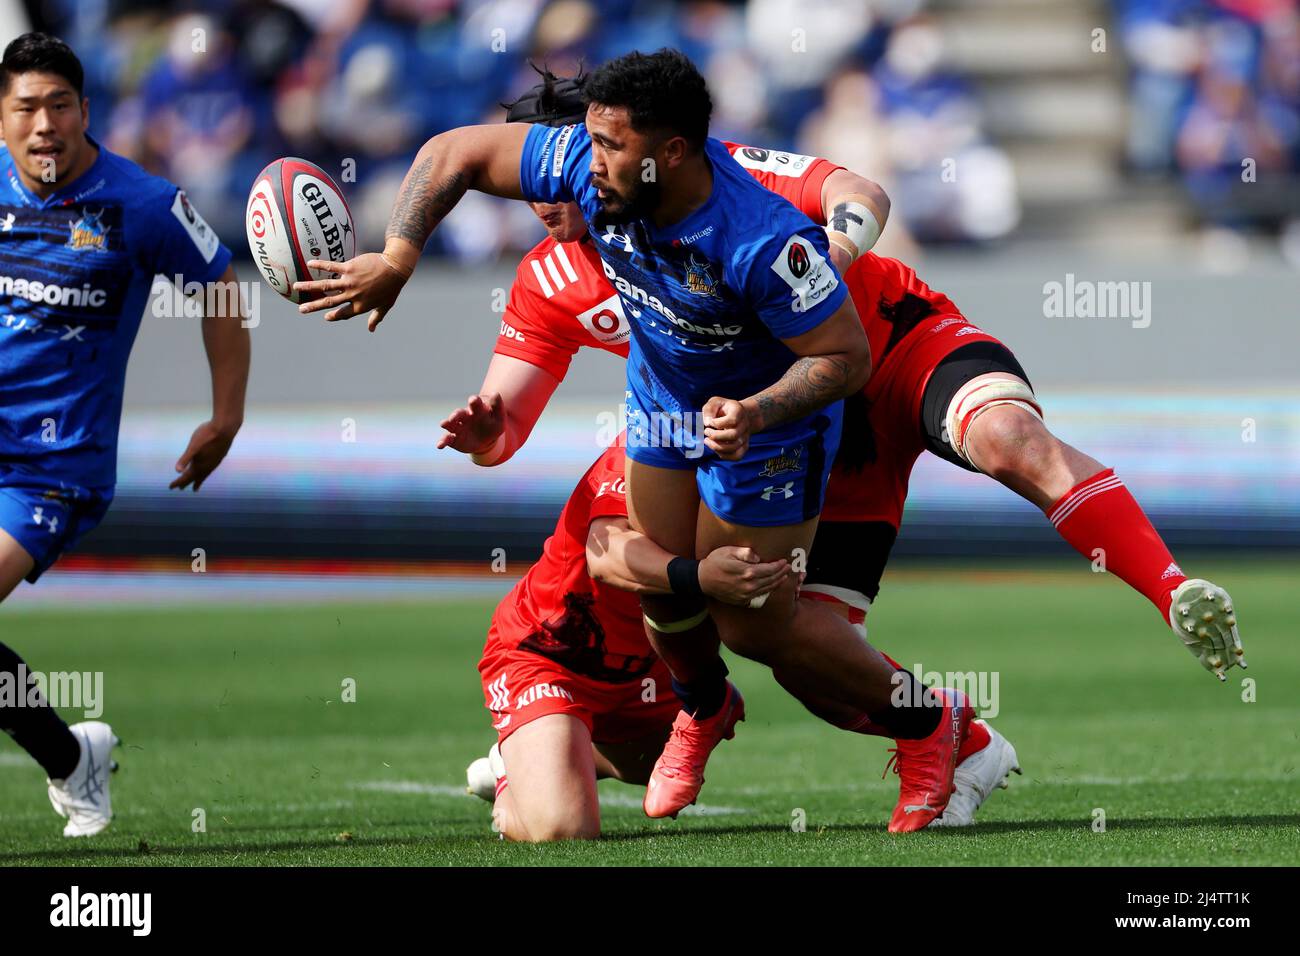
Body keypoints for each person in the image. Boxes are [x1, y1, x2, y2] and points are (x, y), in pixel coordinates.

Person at [297, 49, 976, 828]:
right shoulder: (585, 166)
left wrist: (756, 412)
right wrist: (399, 254)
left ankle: (930, 723)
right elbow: (453, 152)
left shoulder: (764, 241)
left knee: (754, 621)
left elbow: (846, 358)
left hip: (765, 425)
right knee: (659, 580)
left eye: (609, 146)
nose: (586, 165)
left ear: (671, 153)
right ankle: (702, 704)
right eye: (588, 141)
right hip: (660, 397)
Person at [0, 33, 249, 837]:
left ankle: (74, 762)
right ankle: (73, 760)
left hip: (50, 468)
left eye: (60, 106)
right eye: (25, 108)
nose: (44, 125)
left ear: (84, 112)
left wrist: (226, 416)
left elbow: (219, 290)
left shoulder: (140, 203)